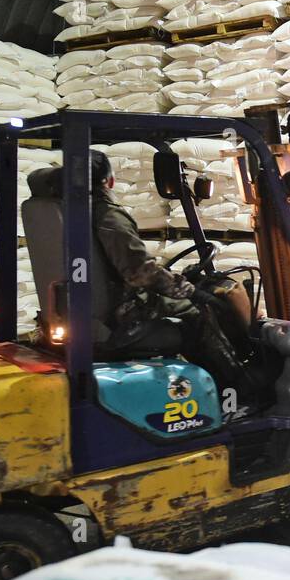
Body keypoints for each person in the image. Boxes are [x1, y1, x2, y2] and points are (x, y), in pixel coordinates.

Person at [88, 149, 257, 403]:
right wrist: (188, 289)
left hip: (97, 309)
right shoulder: (107, 215)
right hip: (123, 314)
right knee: (200, 313)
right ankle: (237, 392)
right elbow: (141, 272)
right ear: (109, 181)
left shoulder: (71, 213)